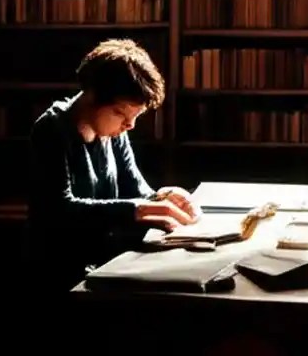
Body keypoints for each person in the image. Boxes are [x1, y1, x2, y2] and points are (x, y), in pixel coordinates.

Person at [26, 38, 202, 294]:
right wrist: (141, 209)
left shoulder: (114, 131)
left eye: (135, 116)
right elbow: (58, 210)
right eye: (121, 113)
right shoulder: (51, 130)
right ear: (92, 96)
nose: (129, 125)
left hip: (106, 262)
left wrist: (164, 196)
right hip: (59, 271)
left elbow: (135, 190)